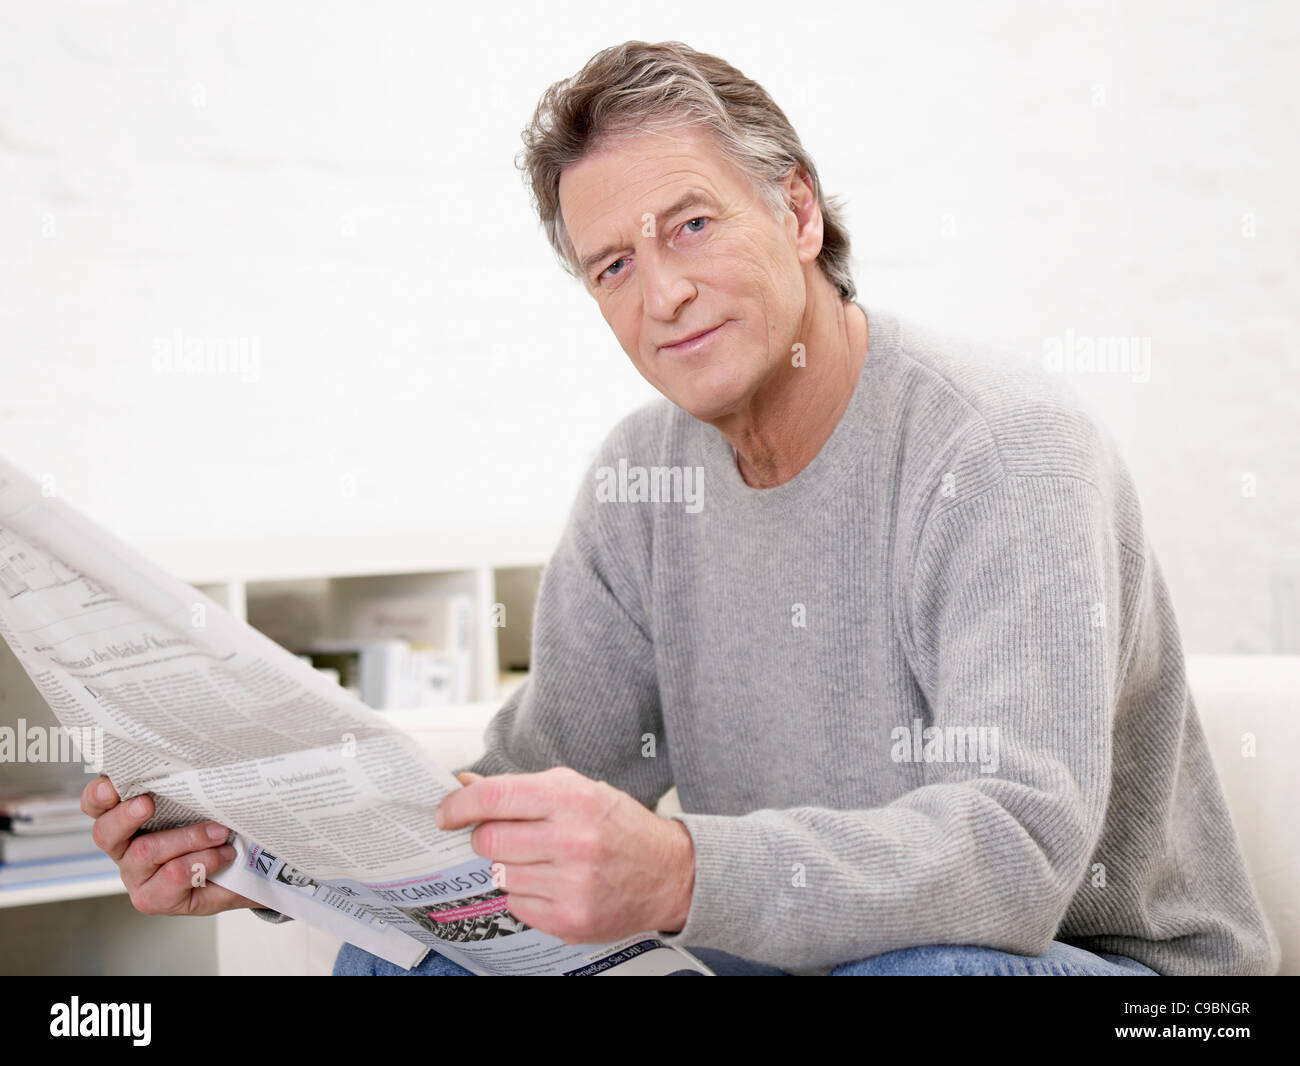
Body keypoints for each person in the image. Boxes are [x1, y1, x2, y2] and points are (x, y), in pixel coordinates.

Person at [84, 40, 1279, 977]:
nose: (661, 291)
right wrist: (261, 858)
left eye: (691, 223)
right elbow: (522, 790)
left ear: (798, 213)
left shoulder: (1001, 449)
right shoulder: (638, 485)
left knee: (930, 970)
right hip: (803, 957)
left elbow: (1017, 859)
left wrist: (682, 870)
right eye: (611, 264)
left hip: (1106, 972)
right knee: (406, 968)